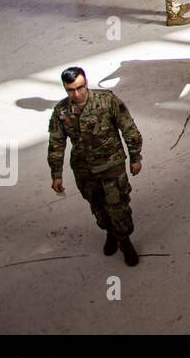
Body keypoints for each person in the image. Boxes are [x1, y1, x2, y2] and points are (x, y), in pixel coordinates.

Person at [48, 66, 144, 266]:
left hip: (111, 164)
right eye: (70, 90)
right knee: (98, 206)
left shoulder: (107, 101)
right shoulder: (61, 111)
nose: (76, 94)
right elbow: (56, 143)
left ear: (86, 83)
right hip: (84, 170)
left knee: (118, 206)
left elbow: (128, 128)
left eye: (80, 88)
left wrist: (135, 157)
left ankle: (125, 241)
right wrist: (56, 174)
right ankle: (110, 232)